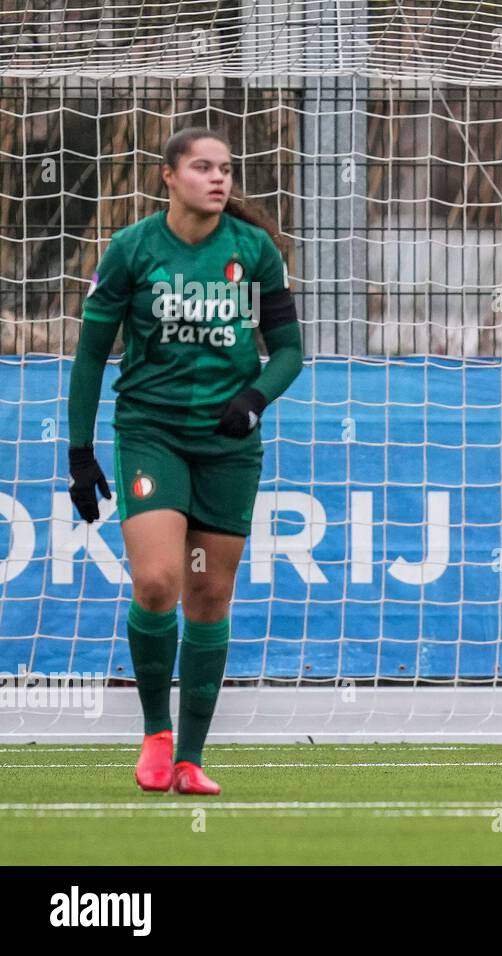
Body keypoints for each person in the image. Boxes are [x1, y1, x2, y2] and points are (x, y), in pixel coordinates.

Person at [67, 128, 304, 794]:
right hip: (152, 436)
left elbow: (288, 349)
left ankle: (191, 759)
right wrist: (80, 452)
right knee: (158, 581)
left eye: (225, 168)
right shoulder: (132, 249)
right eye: (203, 167)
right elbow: (91, 355)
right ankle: (155, 732)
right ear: (167, 176)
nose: (219, 178)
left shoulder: (253, 252)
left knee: (208, 592)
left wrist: (254, 399)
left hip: (227, 447)